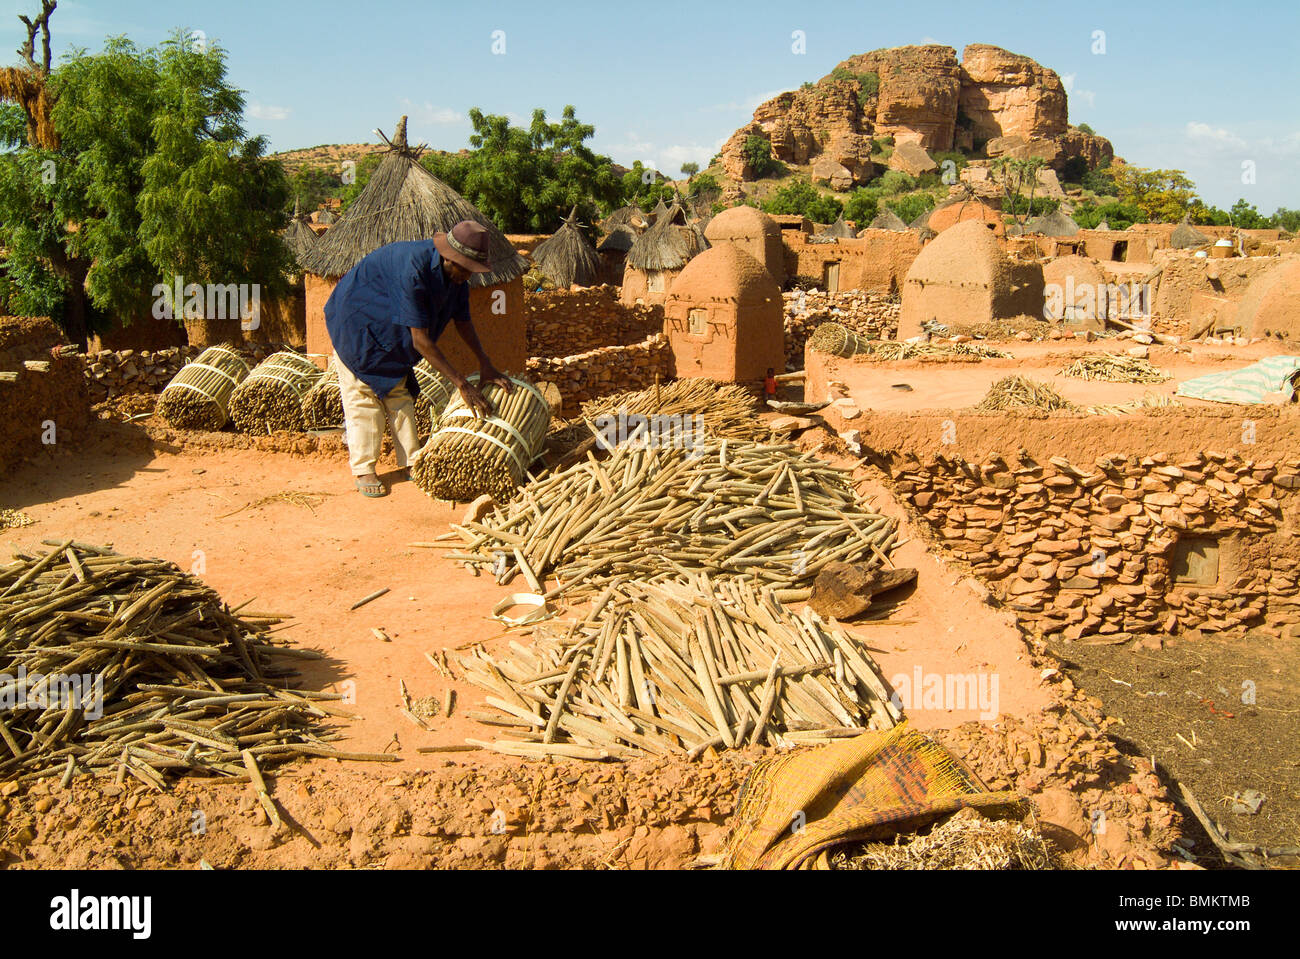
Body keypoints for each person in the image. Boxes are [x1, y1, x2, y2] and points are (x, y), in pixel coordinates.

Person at [324, 220, 514, 497]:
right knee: (362, 397)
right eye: (467, 269)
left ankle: (412, 461)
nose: (469, 276)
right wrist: (461, 383)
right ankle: (364, 468)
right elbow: (420, 339)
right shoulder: (412, 268)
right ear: (450, 258)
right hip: (357, 325)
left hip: (390, 331)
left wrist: (484, 362)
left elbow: (463, 321)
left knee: (399, 393)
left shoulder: (457, 277)